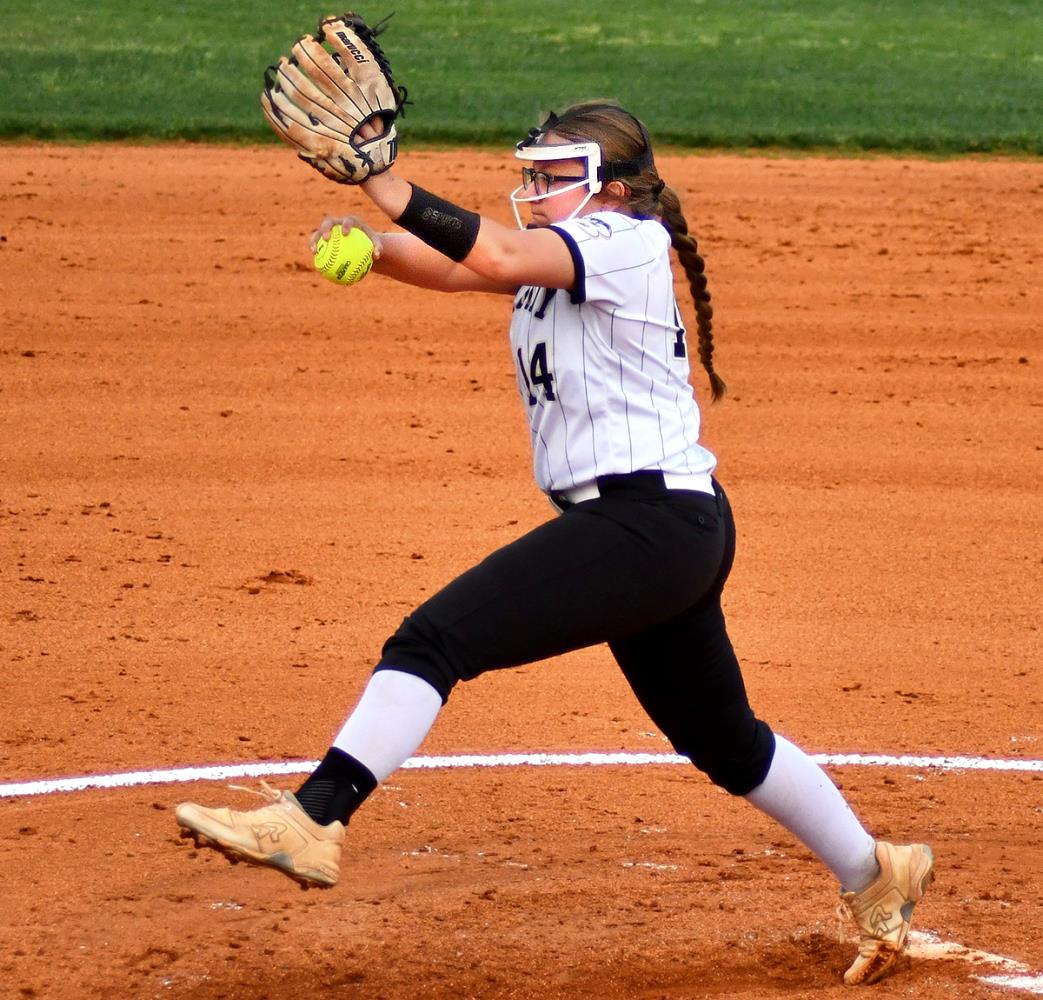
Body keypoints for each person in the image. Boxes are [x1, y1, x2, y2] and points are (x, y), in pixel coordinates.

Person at [176, 101, 933, 986]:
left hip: (646, 526)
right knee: (725, 742)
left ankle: (314, 817)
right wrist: (375, 247)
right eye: (530, 173)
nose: (534, 188)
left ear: (608, 184)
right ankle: (877, 874)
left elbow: (489, 251)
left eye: (552, 175)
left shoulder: (624, 240)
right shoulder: (566, 258)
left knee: (433, 641)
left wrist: (381, 181)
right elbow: (464, 270)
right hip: (664, 531)